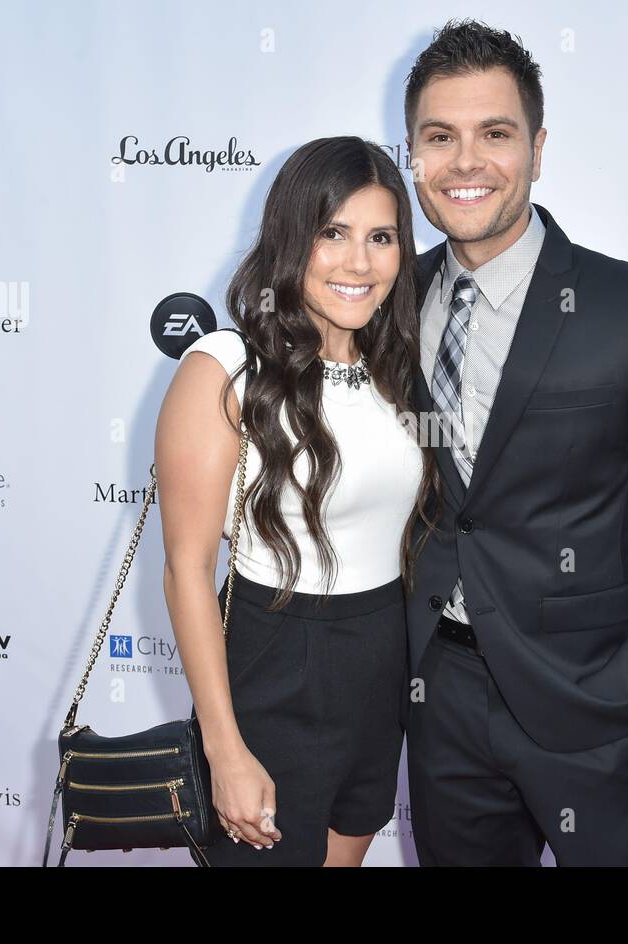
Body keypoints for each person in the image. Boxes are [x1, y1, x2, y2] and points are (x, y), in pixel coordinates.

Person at [400, 20, 628, 866]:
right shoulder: (384, 301)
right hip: (440, 698)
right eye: (440, 138)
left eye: (495, 134)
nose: (465, 162)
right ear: (412, 155)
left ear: (538, 149)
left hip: (593, 703)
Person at [153, 136, 437, 866]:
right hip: (274, 666)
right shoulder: (223, 367)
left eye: (381, 238)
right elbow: (187, 570)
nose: (359, 262)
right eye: (332, 234)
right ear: (291, 237)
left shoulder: (396, 369)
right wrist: (226, 749)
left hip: (380, 660)